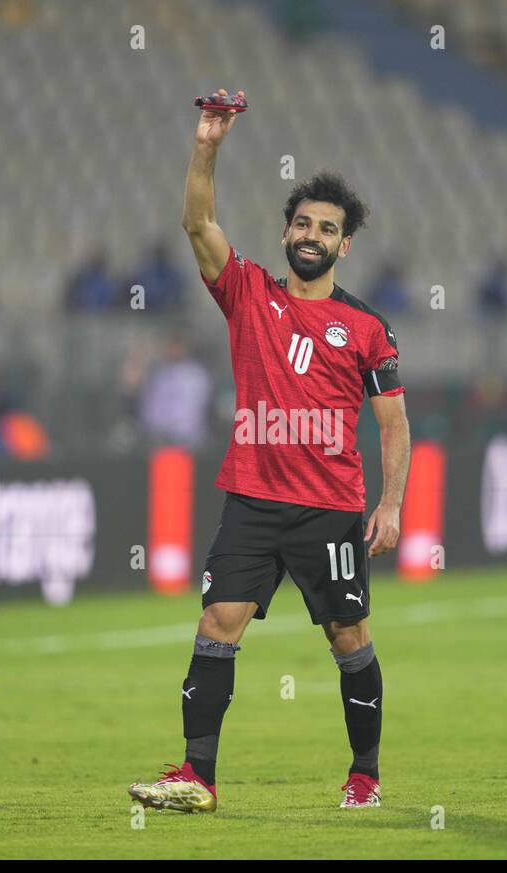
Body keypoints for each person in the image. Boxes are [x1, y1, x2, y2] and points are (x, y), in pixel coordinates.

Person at [128, 89, 411, 813]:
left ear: (345, 246)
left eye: (328, 228)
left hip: (330, 511)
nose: (313, 234)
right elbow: (196, 221)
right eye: (303, 223)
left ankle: (365, 776)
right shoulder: (248, 292)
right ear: (286, 232)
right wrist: (207, 144)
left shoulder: (368, 329)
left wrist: (390, 504)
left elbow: (393, 423)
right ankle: (198, 776)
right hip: (252, 499)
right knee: (216, 623)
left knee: (349, 636)